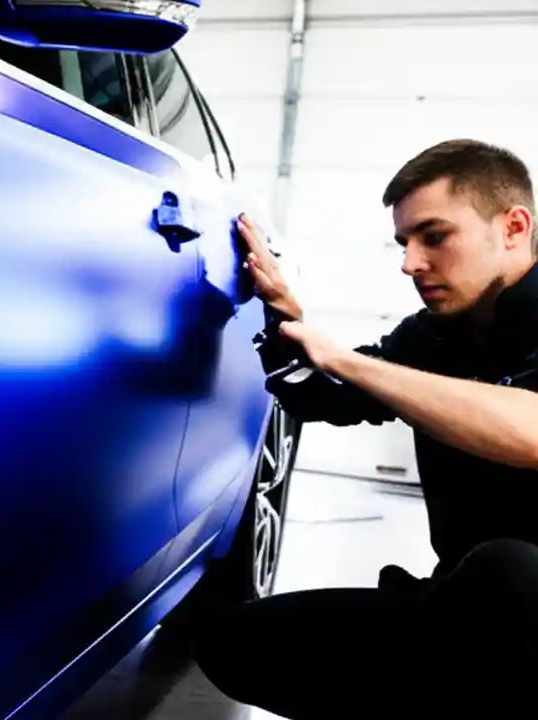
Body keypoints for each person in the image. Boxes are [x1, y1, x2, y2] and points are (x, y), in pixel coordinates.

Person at [191, 138, 538, 719]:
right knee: (237, 644)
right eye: (404, 243)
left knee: (510, 572)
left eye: (434, 237)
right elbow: (324, 396)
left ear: (513, 227)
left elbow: (530, 431)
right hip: (463, 609)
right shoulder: (432, 336)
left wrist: (344, 359)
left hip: (518, 601)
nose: (410, 263)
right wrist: (283, 316)